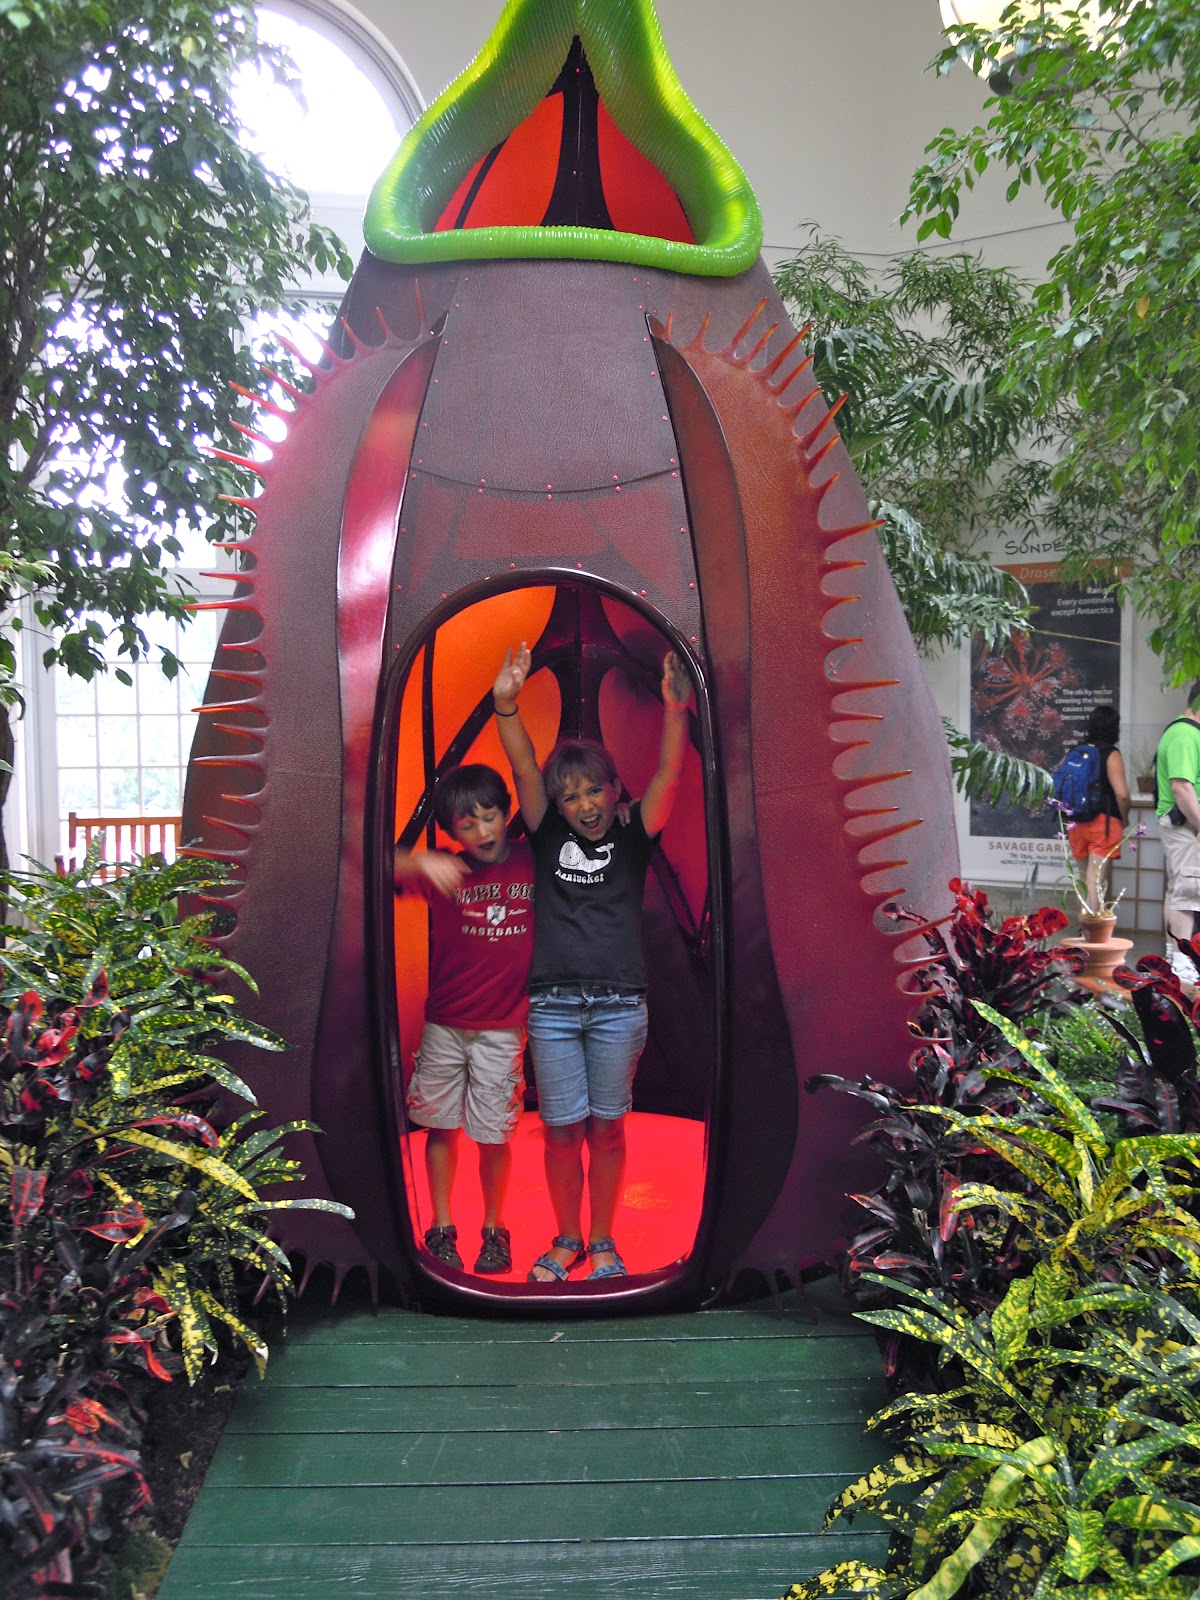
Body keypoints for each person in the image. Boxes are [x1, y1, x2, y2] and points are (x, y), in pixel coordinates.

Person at [492, 642, 692, 1283]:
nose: (583, 804)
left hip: (617, 1006)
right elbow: (523, 766)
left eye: (593, 791)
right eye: (570, 795)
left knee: (606, 1129)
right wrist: (507, 704)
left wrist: (675, 713)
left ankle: (603, 1242)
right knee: (558, 1132)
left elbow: (669, 778)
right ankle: (566, 1238)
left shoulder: (633, 836)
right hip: (552, 1005)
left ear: (613, 790)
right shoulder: (548, 832)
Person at [393, 763, 534, 1275]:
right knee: (441, 1127)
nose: (482, 832)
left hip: (502, 1026)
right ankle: (441, 1226)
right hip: (446, 1023)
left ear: (506, 813)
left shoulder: (531, 860)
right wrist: (419, 863)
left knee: (495, 1134)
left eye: (489, 817)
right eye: (467, 825)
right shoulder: (447, 871)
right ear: (453, 832)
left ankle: (495, 1229)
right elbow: (372, 863)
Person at [1064, 703, 1130, 914]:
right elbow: (1121, 793)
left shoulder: (1076, 751)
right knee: (1095, 879)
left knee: (1083, 879)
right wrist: (1124, 817)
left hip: (1076, 822)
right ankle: (1091, 932)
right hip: (1103, 822)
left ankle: (1083, 927)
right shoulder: (1111, 754)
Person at [1155, 679, 1200, 985]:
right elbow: (1182, 787)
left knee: (1178, 890)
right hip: (1186, 825)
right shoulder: (1185, 734)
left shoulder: (1181, 731)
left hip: (1182, 825)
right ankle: (1182, 962)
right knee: (1188, 891)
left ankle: (1174, 956)